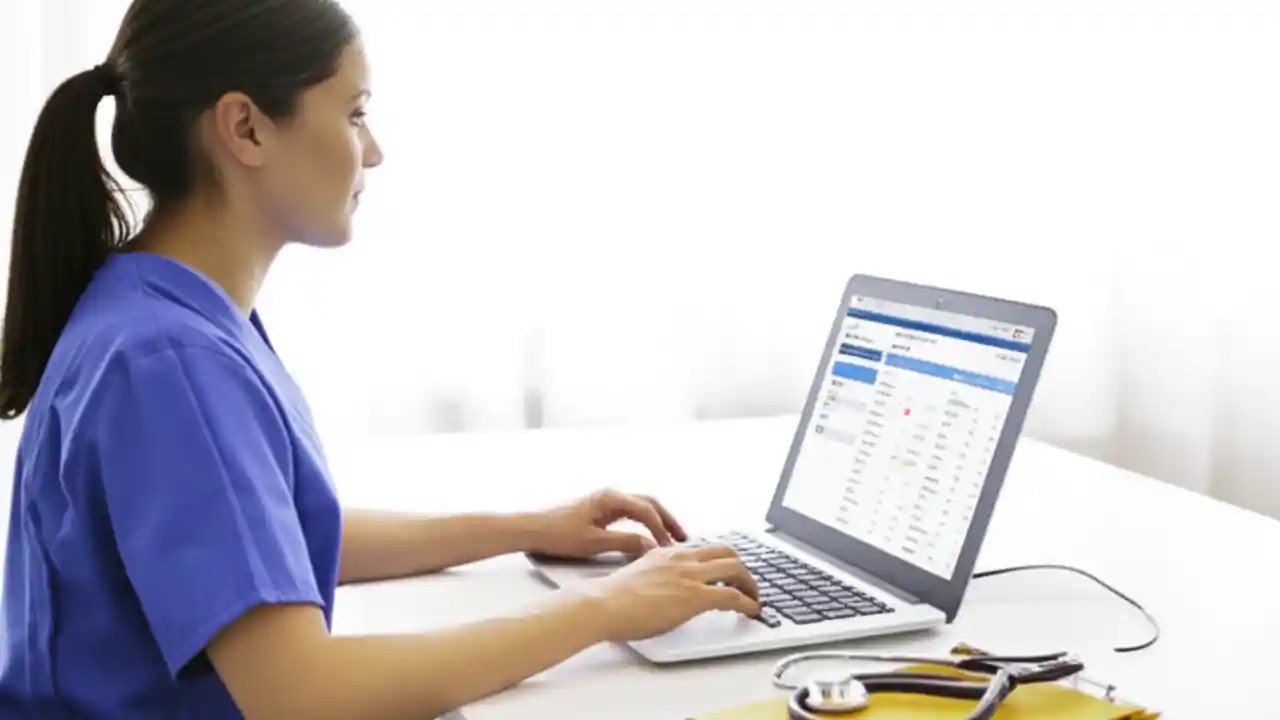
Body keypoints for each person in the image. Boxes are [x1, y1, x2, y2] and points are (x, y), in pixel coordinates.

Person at [0, 1, 760, 718]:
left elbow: (275, 540)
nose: (374, 150)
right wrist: (604, 609)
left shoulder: (151, 309)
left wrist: (527, 526)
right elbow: (303, 696)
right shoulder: (171, 362)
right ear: (246, 128)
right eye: (355, 113)